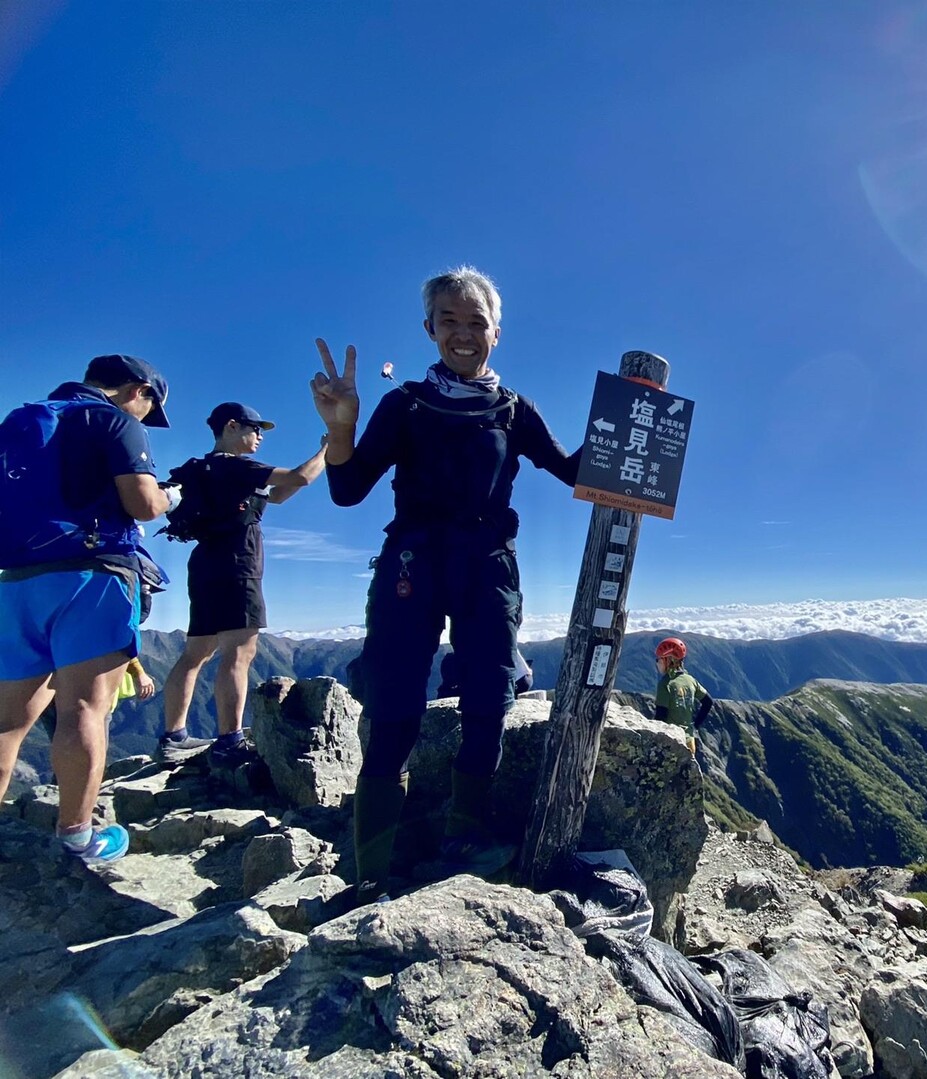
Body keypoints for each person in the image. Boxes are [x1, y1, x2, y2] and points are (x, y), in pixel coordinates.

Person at [311, 265, 579, 902]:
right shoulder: (404, 404)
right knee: (394, 701)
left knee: (489, 696)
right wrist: (342, 428)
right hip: (413, 564)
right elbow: (349, 491)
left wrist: (637, 435)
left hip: (487, 565)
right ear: (428, 328)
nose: (463, 333)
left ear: (497, 332)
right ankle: (369, 869)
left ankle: (466, 837)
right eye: (449, 321)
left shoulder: (513, 410)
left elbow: (573, 471)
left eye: (476, 322)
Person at [0, 354, 175, 863]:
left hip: (17, 579)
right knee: (82, 708)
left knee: (8, 721)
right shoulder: (113, 421)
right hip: (91, 576)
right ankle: (78, 838)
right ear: (137, 390)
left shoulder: (23, 419)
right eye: (150, 407)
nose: (147, 419)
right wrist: (170, 497)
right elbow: (142, 503)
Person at [157, 403, 326, 765]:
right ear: (231, 427)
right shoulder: (236, 466)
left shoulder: (206, 470)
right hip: (237, 564)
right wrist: (326, 451)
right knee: (240, 651)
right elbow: (297, 478)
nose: (260, 437)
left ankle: (173, 736)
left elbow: (276, 496)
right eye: (254, 429)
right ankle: (230, 741)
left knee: (195, 653)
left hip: (205, 564)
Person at [653, 637, 713, 758]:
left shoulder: (666, 683)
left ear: (668, 660)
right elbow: (708, 702)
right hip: (689, 741)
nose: (657, 663)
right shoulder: (690, 680)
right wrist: (695, 725)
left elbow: (661, 716)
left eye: (659, 659)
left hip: (671, 740)